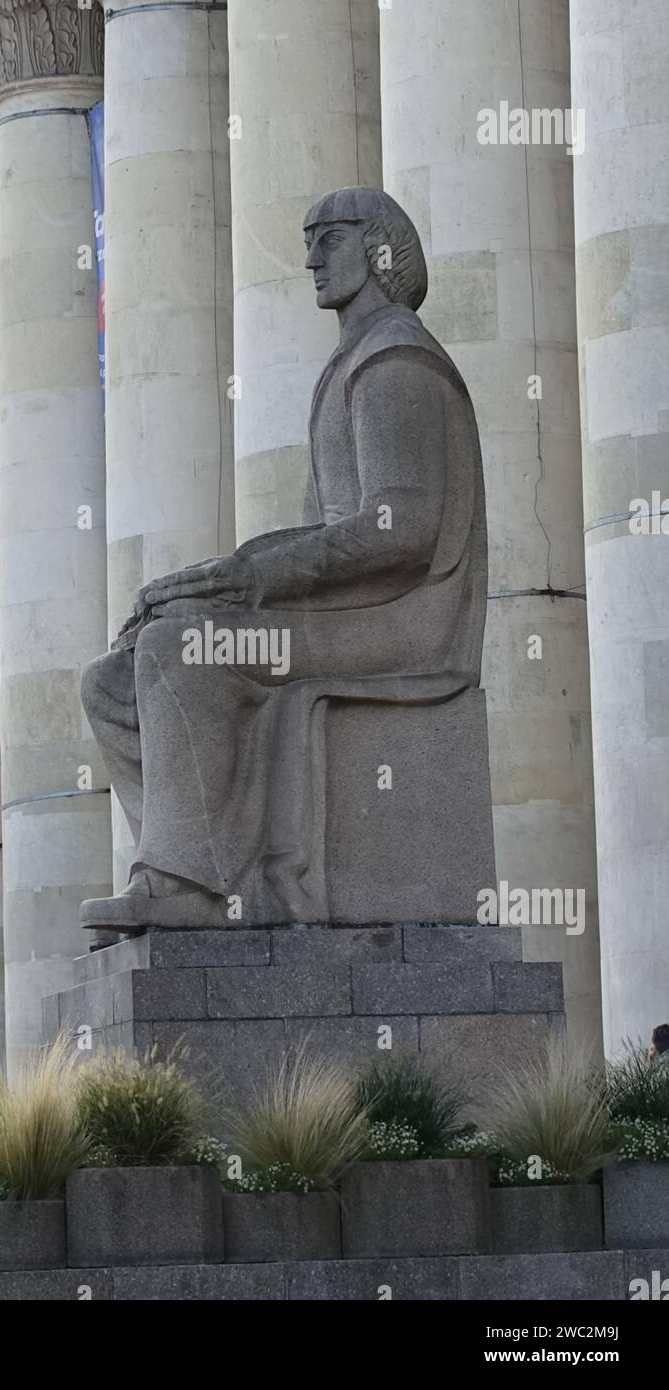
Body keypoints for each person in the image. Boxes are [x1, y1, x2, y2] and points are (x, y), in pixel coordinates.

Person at [80, 186, 487, 936]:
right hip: (360, 607)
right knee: (113, 677)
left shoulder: (397, 360)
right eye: (309, 240)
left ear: (380, 250)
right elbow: (323, 535)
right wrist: (220, 582)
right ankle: (202, 864)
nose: (308, 259)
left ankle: (192, 883)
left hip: (408, 622)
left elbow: (403, 532)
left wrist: (253, 580)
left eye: (328, 239)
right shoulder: (349, 363)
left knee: (185, 650)